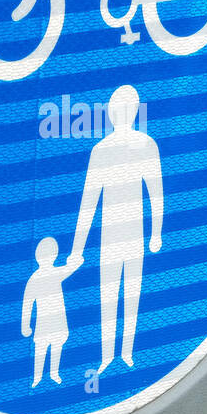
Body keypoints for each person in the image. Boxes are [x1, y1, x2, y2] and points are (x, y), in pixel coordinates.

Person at [69, 84, 163, 373]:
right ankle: (110, 355)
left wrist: (157, 232)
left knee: (127, 293)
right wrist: (77, 248)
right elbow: (89, 201)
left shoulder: (145, 145)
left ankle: (124, 354)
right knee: (111, 294)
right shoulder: (102, 150)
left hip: (131, 233)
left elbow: (155, 193)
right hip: (112, 235)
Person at [21, 237, 81, 387]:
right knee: (41, 349)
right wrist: (25, 326)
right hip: (44, 324)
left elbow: (70, 268)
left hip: (57, 322)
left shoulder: (53, 273)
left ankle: (54, 373)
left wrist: (76, 261)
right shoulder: (35, 279)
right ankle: (37, 378)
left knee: (56, 347)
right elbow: (27, 304)